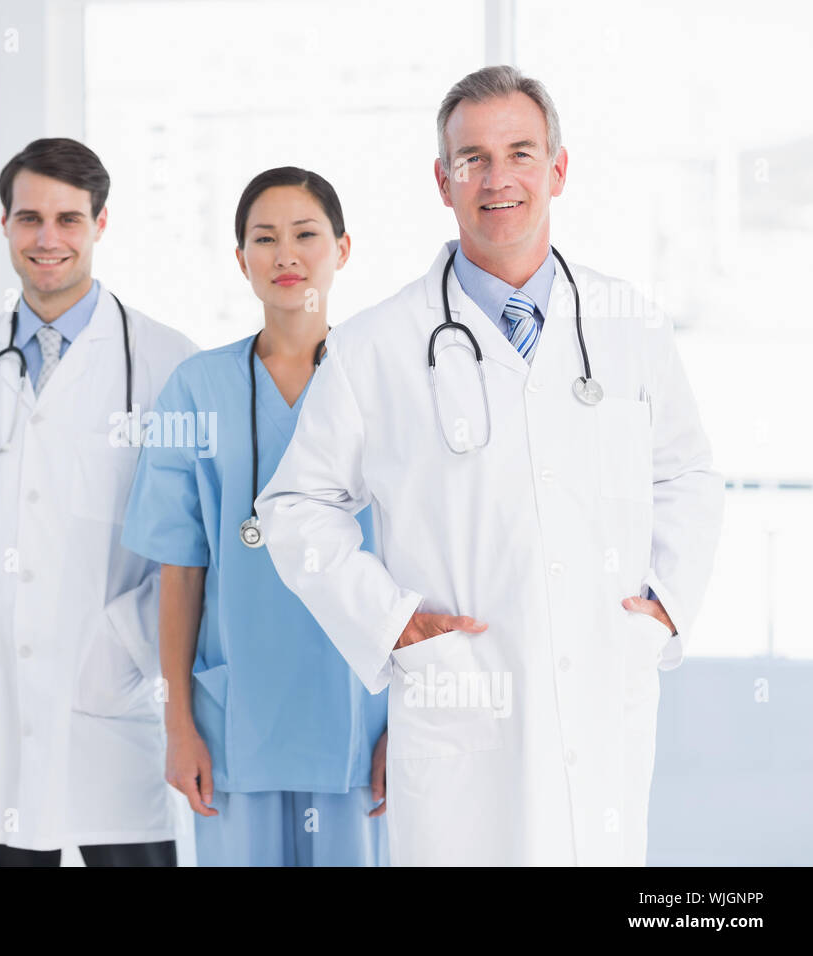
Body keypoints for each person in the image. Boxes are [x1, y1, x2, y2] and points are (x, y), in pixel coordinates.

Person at [256, 66, 724, 866]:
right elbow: (295, 506)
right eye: (472, 158)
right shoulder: (378, 343)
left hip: (601, 689)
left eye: (520, 152)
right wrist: (389, 619)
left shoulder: (629, 324)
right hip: (460, 703)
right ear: (443, 182)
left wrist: (664, 607)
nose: (498, 178)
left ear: (559, 169)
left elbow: (688, 476)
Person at [0, 137, 197, 866]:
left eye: (68, 219)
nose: (48, 238)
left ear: (101, 224)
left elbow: (194, 540)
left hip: (113, 704)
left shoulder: (168, 364)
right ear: (4, 224)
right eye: (30, 217)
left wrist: (128, 645)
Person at [120, 167, 390, 866]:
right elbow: (180, 570)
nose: (286, 255)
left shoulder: (385, 382)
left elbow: (421, 557)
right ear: (242, 260)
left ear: (344, 248)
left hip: (358, 715)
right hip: (237, 717)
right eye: (264, 239)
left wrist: (408, 725)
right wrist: (178, 722)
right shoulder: (198, 388)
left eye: (306, 234)